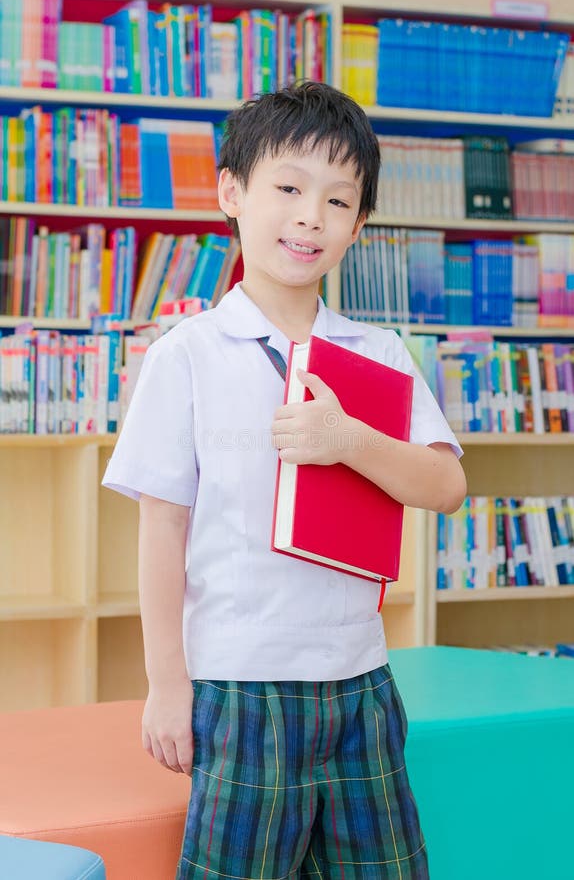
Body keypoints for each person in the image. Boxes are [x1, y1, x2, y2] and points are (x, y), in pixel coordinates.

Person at [102, 80, 467, 879]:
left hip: (360, 681)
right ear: (232, 192)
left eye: (338, 201)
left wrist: (348, 440)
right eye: (290, 189)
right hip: (241, 686)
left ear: (359, 225)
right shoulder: (187, 354)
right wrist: (166, 686)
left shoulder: (378, 352)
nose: (311, 217)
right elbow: (162, 528)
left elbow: (444, 487)